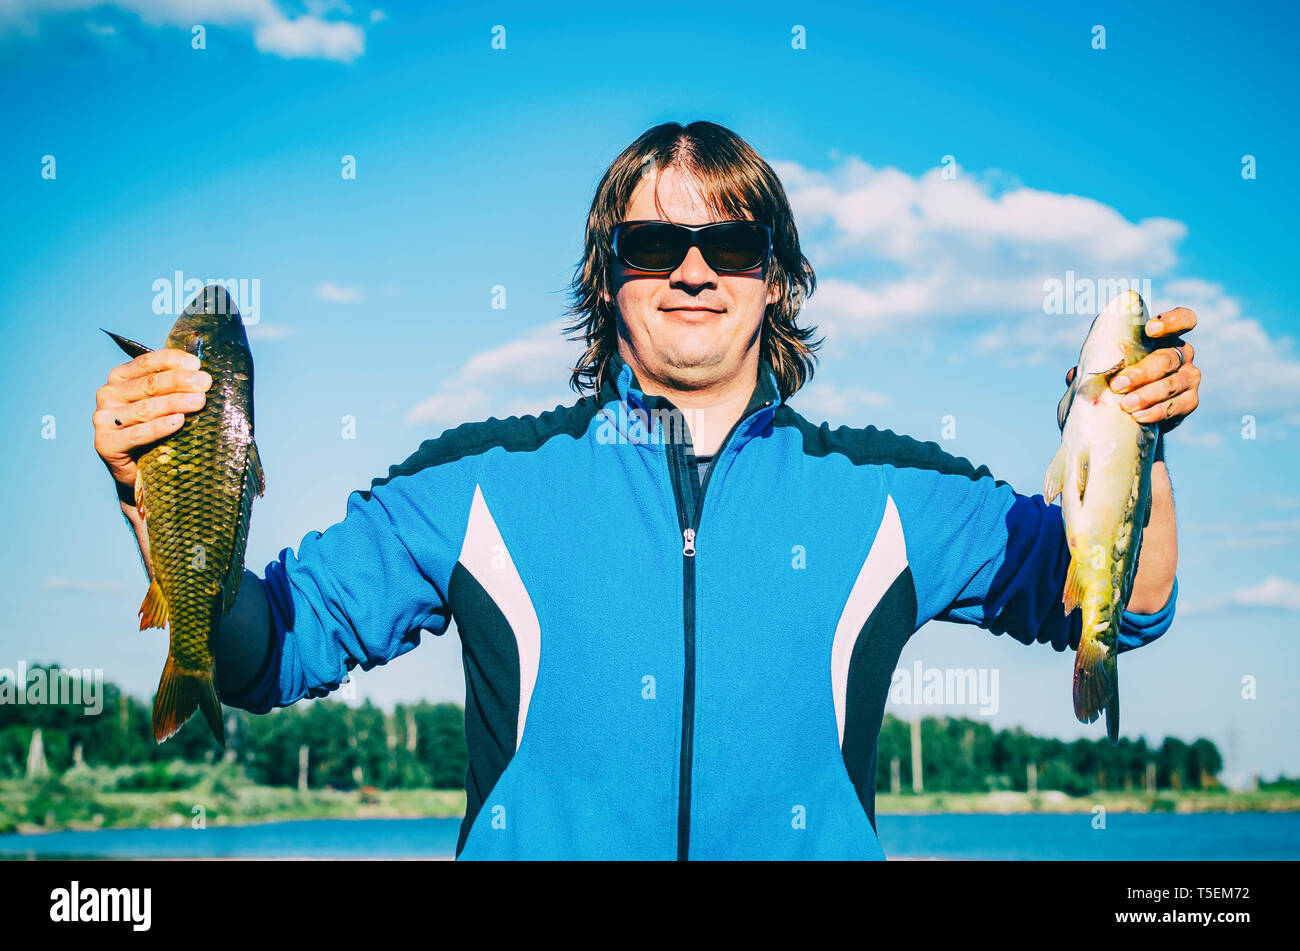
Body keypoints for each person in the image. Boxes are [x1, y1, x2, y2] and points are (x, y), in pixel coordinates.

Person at [92, 121, 1201, 860]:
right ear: (604, 275)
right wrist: (160, 499)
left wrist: (1133, 437)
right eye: (653, 240)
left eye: (730, 240)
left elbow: (1115, 605)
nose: (692, 267)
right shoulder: (476, 481)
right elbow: (263, 651)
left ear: (777, 277)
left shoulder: (893, 491)